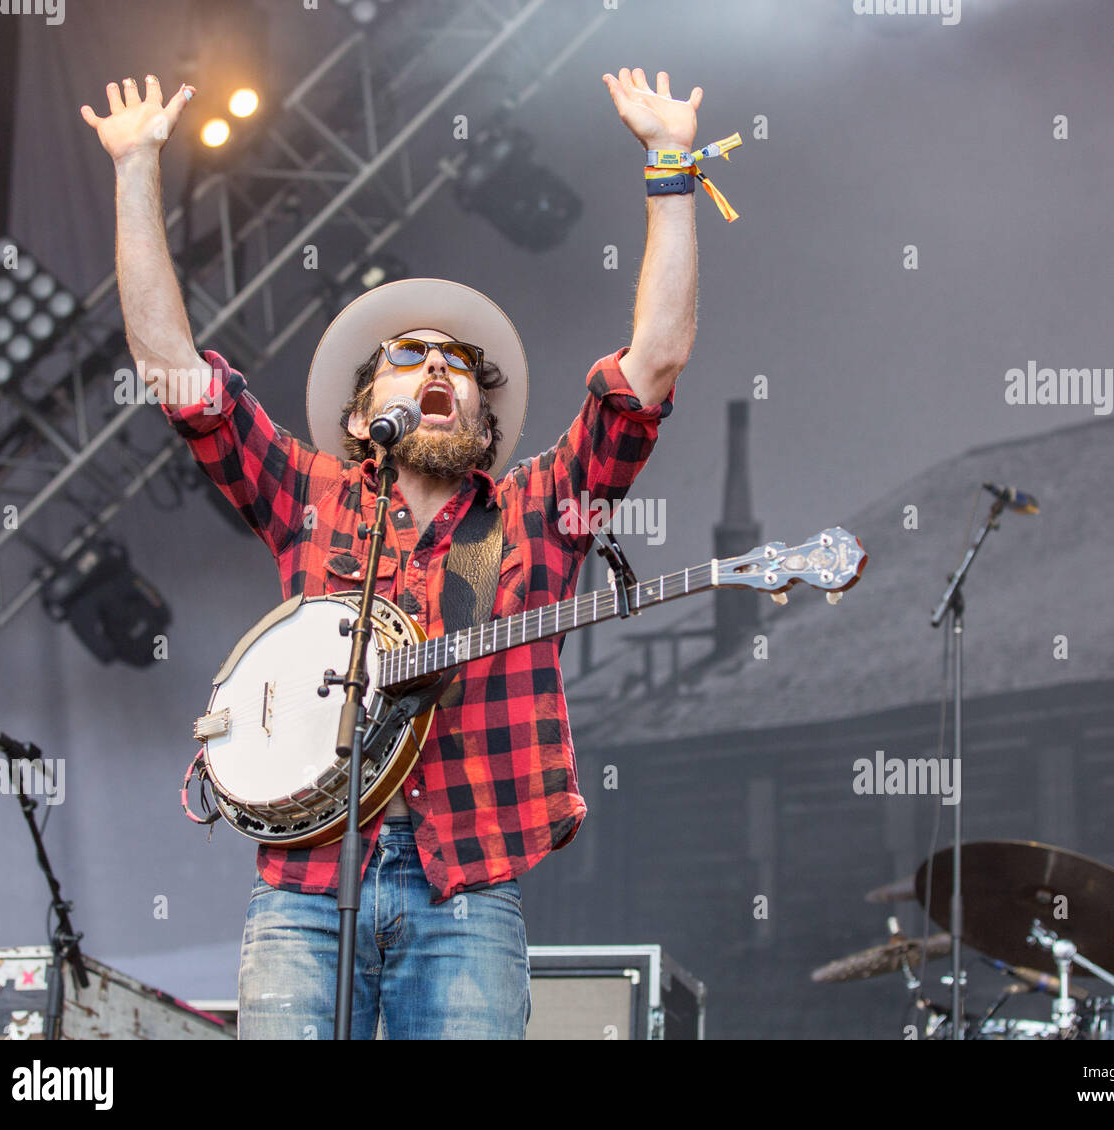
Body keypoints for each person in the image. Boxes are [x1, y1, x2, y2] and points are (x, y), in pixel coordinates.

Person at [81, 65, 703, 1039]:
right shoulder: (310, 497)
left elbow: (652, 363)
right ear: (366, 409)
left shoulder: (542, 509)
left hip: (465, 890)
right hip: (302, 888)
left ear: (482, 414)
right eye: (411, 361)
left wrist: (670, 165)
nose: (440, 373)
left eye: (460, 366)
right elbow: (173, 370)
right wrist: (134, 169)